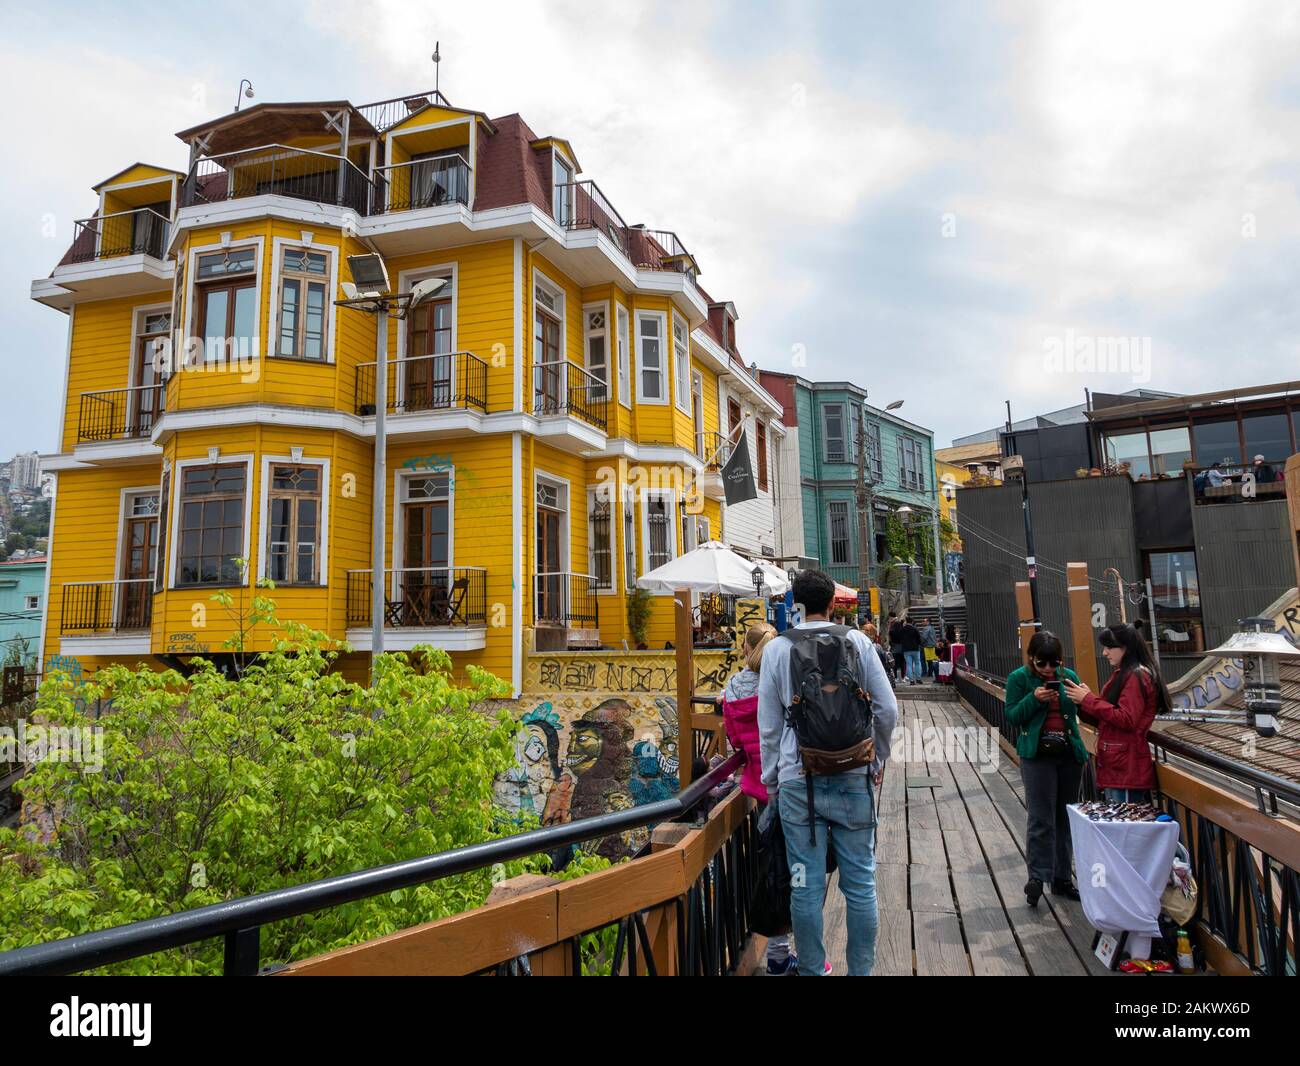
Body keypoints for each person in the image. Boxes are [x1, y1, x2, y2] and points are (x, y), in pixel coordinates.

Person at [757, 569, 898, 977]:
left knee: (804, 884)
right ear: (834, 604)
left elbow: (768, 725)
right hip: (854, 773)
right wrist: (878, 759)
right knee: (860, 884)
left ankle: (814, 970)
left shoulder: (778, 650)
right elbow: (887, 710)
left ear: (794, 605)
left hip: (798, 781)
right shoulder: (858, 642)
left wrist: (771, 780)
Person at [720, 621, 798, 975]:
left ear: (747, 648)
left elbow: (735, 741)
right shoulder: (780, 680)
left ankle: (779, 950)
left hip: (757, 786)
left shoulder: (733, 687)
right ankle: (795, 949)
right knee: (796, 869)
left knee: (772, 868)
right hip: (791, 783)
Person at [1004, 631, 1088, 907]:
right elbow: (1013, 716)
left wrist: (1084, 697)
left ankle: (1063, 878)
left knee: (1065, 817)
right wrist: (1034, 698)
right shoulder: (1019, 678)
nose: (1049, 670)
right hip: (1037, 755)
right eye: (1042, 664)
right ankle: (1038, 877)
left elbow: (1083, 714)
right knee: (1041, 817)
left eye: (1054, 663)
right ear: (1031, 659)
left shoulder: (1069, 677)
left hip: (1068, 754)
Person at [1062, 624, 1167, 804]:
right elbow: (1109, 719)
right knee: (1120, 825)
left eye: (1109, 647)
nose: (1104, 652)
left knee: (1124, 826)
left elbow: (1126, 719)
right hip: (1119, 763)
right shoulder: (1128, 674)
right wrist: (1083, 701)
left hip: (1125, 766)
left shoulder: (1136, 676)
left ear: (1126, 647)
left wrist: (1088, 699)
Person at [900, 615, 923, 684]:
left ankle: (911, 680)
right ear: (912, 622)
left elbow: (900, 639)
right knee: (917, 663)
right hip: (915, 649)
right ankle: (918, 678)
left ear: (906, 621)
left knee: (909, 665)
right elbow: (919, 639)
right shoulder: (915, 629)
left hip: (906, 650)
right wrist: (918, 644)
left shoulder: (902, 629)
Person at [887, 612, 905, 681]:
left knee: (897, 662)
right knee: (900, 662)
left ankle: (898, 677)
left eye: (889, 617)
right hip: (898, 645)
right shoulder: (896, 623)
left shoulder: (895, 623)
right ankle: (901, 677)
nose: (889, 619)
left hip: (896, 645)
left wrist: (890, 633)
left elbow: (894, 634)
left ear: (891, 617)